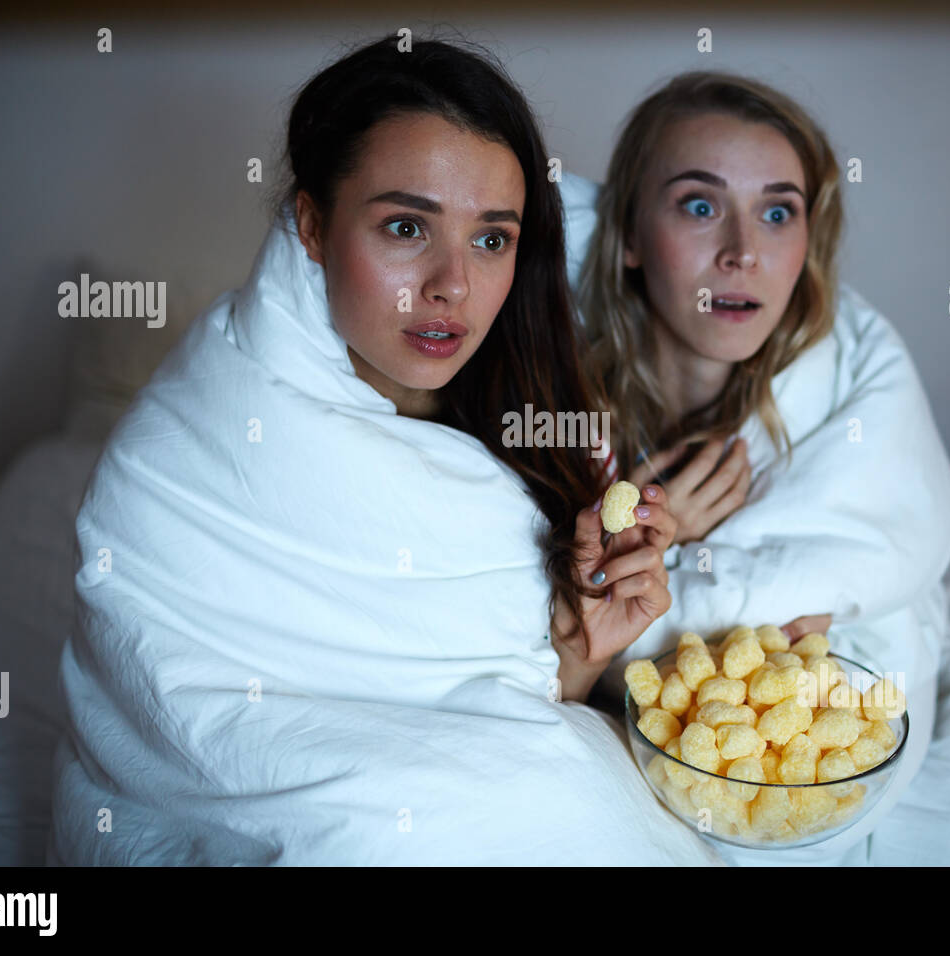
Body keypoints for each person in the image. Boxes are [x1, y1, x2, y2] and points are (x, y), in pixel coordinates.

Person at [48, 34, 723, 866]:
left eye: (491, 239)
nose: (452, 284)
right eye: (407, 226)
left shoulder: (538, 414)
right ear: (312, 223)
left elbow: (521, 700)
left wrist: (586, 647)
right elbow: (173, 724)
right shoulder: (186, 454)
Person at [563, 70, 950, 865]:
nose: (742, 253)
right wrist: (673, 550)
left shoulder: (843, 384)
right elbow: (533, 629)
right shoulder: (559, 396)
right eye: (700, 206)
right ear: (629, 235)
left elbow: (873, 551)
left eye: (778, 212)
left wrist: (788, 597)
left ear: (807, 245)